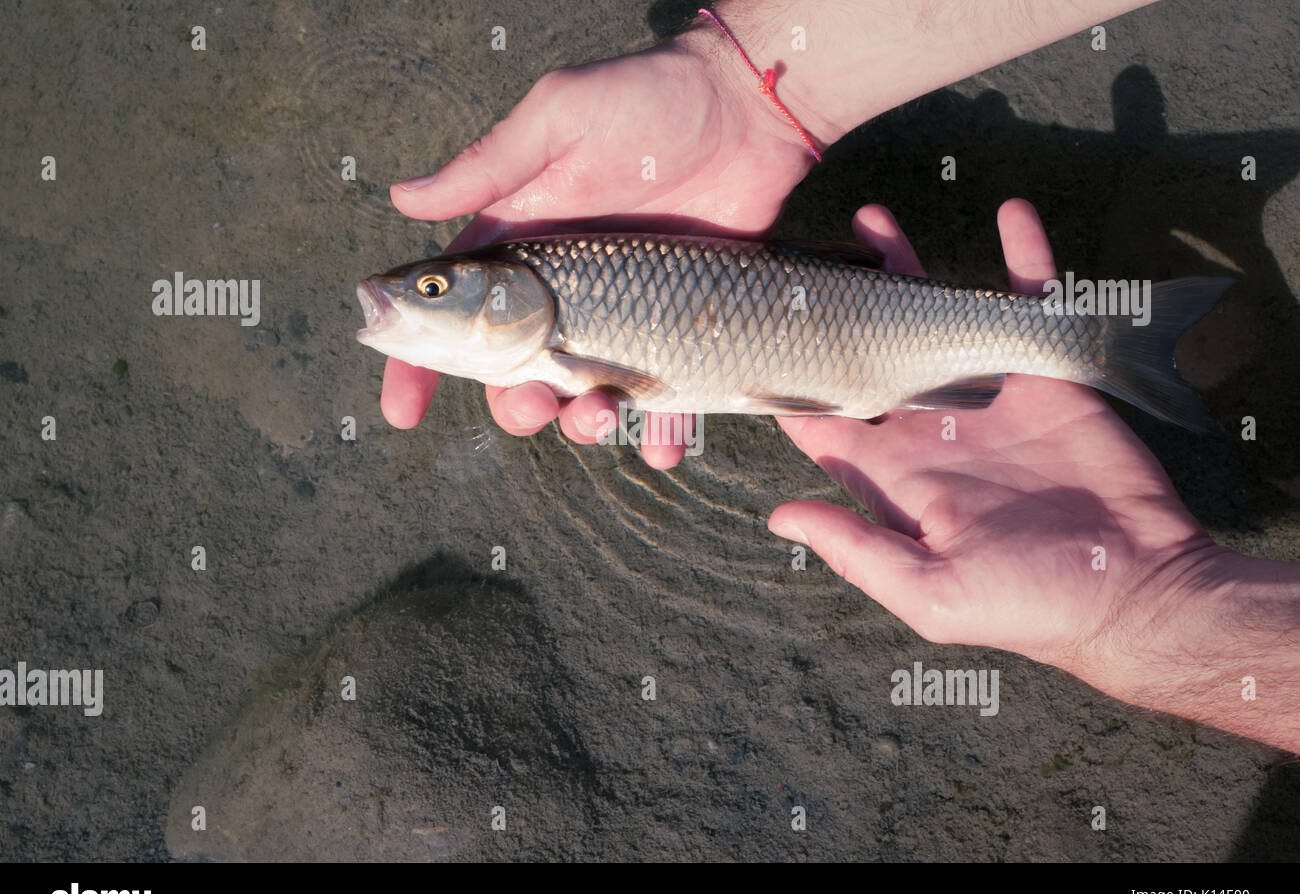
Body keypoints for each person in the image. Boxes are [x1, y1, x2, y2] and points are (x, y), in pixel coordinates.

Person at [379, 0, 1300, 753]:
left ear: (504, 300)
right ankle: (1085, 344)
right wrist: (742, 81)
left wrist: (1151, 612)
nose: (407, 301)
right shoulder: (561, 311)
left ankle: (1085, 343)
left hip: (846, 340)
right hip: (845, 344)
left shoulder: (563, 317)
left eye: (432, 288)